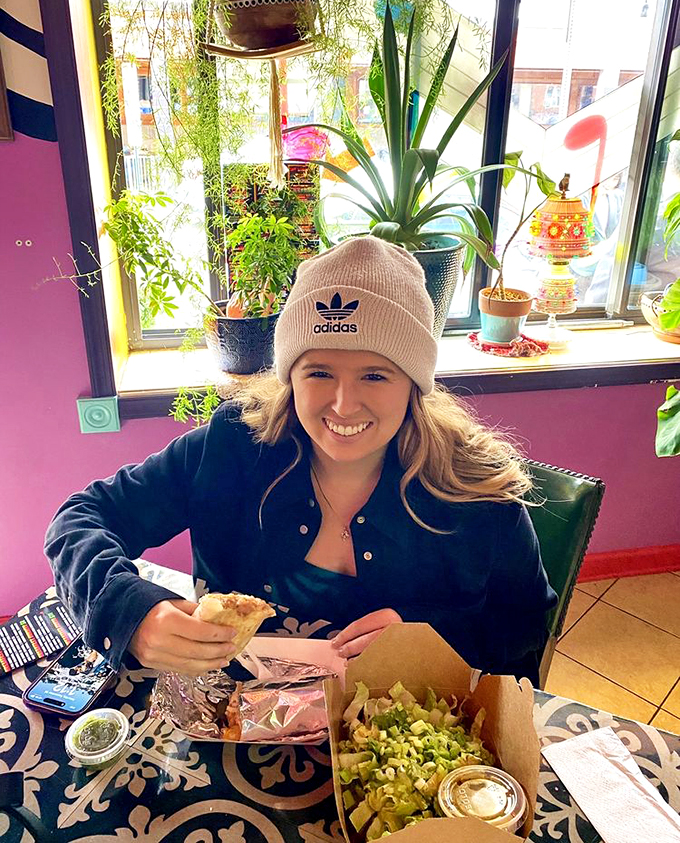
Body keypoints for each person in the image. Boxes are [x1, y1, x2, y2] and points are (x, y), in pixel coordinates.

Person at [45, 237, 557, 685]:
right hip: (232, 725)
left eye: (375, 376)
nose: (342, 404)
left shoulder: (475, 490)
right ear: (289, 377)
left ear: (414, 384)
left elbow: (526, 625)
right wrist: (130, 610)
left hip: (397, 741)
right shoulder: (231, 447)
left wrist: (429, 636)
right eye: (318, 373)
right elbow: (81, 517)